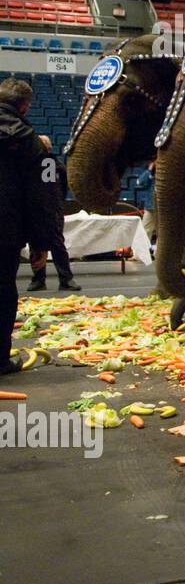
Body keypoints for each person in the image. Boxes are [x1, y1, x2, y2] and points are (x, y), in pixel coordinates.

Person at [1, 78, 60, 375]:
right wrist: (42, 243)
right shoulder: (32, 143)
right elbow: (45, 195)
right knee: (3, 290)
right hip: (6, 231)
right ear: (24, 106)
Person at [27, 135, 80, 292]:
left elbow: (49, 190)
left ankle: (64, 279)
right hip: (41, 209)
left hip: (48, 210)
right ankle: (41, 279)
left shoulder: (48, 163)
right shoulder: (44, 163)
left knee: (55, 245)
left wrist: (50, 208)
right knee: (38, 246)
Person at [137, 160, 156, 246]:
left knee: (163, 233)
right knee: (145, 229)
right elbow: (140, 182)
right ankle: (140, 254)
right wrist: (149, 170)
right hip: (150, 206)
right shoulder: (150, 174)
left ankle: (159, 255)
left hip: (163, 209)